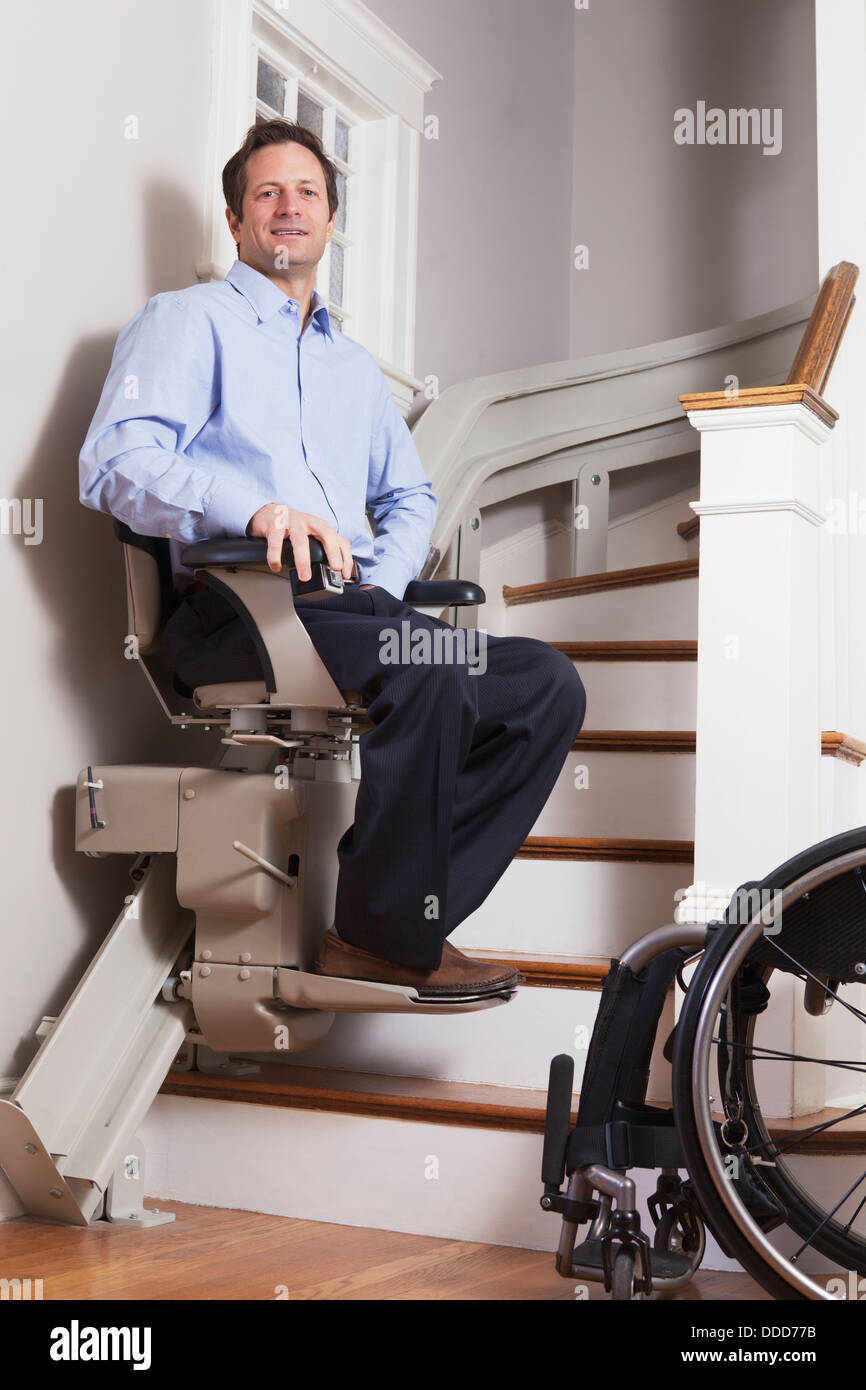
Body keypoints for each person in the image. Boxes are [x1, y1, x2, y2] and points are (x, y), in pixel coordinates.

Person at [79, 118, 587, 999]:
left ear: (329, 220)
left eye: (306, 192)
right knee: (428, 669)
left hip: (345, 611)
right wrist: (258, 508)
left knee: (542, 683)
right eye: (266, 193)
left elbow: (412, 498)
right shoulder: (186, 321)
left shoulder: (353, 370)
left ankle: (401, 923)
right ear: (237, 221)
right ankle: (384, 937)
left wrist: (378, 578)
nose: (288, 208)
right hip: (238, 610)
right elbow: (114, 464)